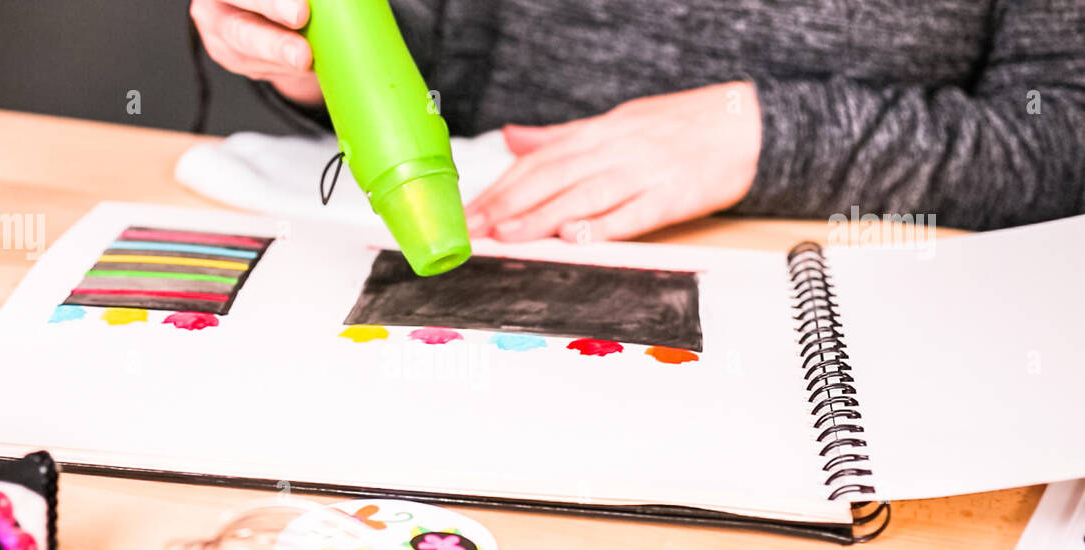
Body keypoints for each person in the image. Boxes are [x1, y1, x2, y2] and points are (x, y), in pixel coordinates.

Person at [190, 0, 1085, 242]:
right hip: (502, 264)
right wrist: (304, 52)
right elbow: (432, 55)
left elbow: (1062, 134)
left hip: (872, 328)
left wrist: (764, 136)